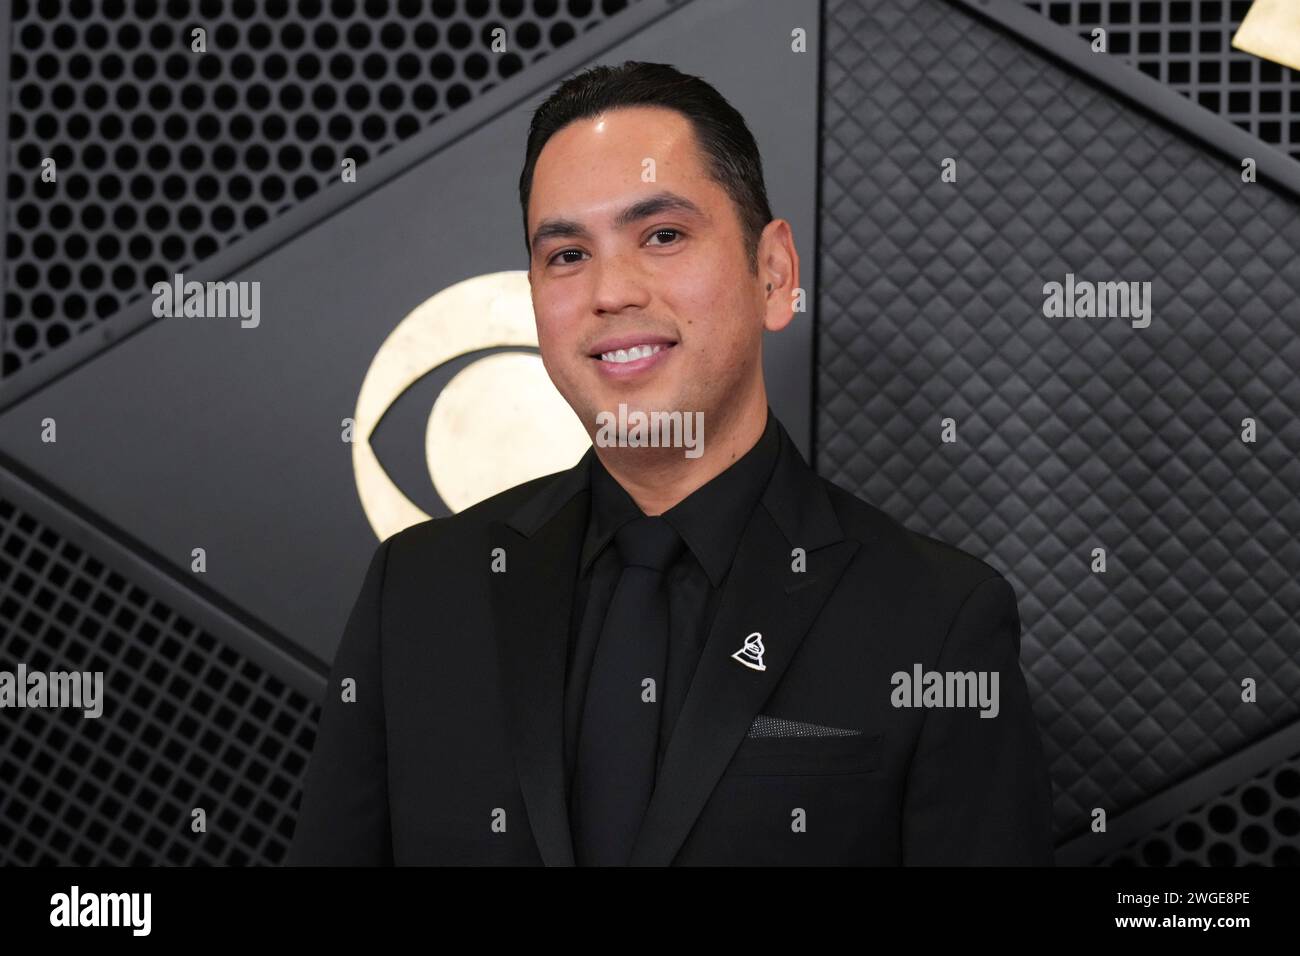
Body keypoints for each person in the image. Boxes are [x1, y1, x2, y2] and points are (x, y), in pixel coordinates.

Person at [287, 61, 1054, 866]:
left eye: (661, 236)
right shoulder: (417, 592)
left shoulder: (935, 622)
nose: (611, 291)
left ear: (775, 273)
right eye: (567, 254)